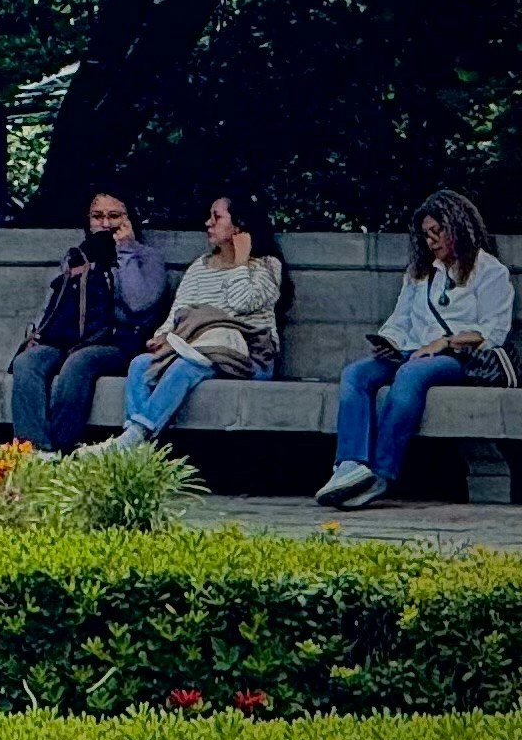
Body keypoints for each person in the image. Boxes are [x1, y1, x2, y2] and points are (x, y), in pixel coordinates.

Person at [322, 188, 513, 510]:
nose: (432, 241)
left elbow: (494, 331)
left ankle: (382, 473)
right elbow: (401, 318)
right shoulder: (420, 273)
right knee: (356, 373)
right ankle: (350, 466)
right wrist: (389, 342)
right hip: (410, 351)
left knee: (411, 374)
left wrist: (446, 342)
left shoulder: (489, 270)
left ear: (459, 227)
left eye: (438, 232)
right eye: (426, 235)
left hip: (454, 359)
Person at [6, 189, 168, 452]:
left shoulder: (147, 257)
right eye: (98, 216)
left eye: (114, 216)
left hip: (116, 341)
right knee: (27, 362)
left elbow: (139, 304)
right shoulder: (78, 256)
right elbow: (54, 301)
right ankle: (32, 449)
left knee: (79, 362)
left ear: (129, 220)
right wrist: (38, 332)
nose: (105, 223)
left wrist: (124, 251)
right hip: (67, 338)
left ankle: (57, 449)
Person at [118, 193, 283, 446]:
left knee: (188, 365)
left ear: (239, 225)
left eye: (216, 217)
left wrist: (240, 262)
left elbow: (243, 302)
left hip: (248, 359)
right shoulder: (200, 267)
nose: (208, 223)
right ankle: (136, 444)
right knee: (141, 364)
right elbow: (177, 313)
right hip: (193, 348)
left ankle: (137, 435)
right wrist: (161, 336)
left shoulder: (266, 266)